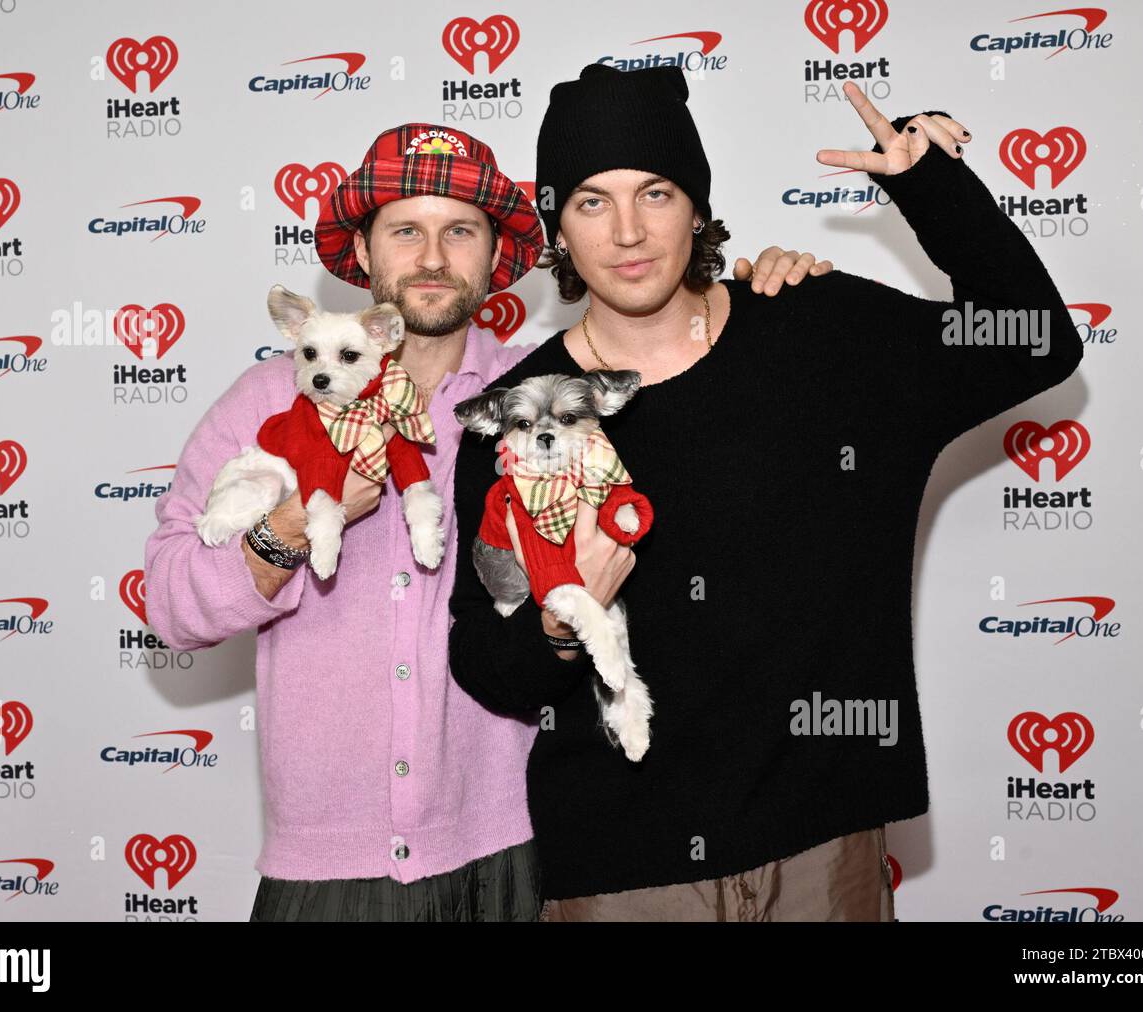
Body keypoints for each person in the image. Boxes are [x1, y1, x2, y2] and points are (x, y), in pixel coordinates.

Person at [142, 120, 831, 922]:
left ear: (494, 254)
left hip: (516, 850)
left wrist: (754, 301)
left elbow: (690, 436)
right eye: (406, 230)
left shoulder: (544, 392)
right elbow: (168, 605)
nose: (432, 258)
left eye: (458, 231)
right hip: (326, 863)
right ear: (363, 253)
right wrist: (289, 530)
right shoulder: (268, 401)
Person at [446, 66, 1085, 921]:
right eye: (593, 201)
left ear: (699, 206)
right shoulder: (522, 416)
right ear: (558, 226)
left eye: (657, 192)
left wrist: (927, 187)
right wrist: (560, 624)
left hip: (824, 847)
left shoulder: (817, 329)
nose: (629, 231)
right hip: (623, 866)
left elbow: (1034, 342)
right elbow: (488, 666)